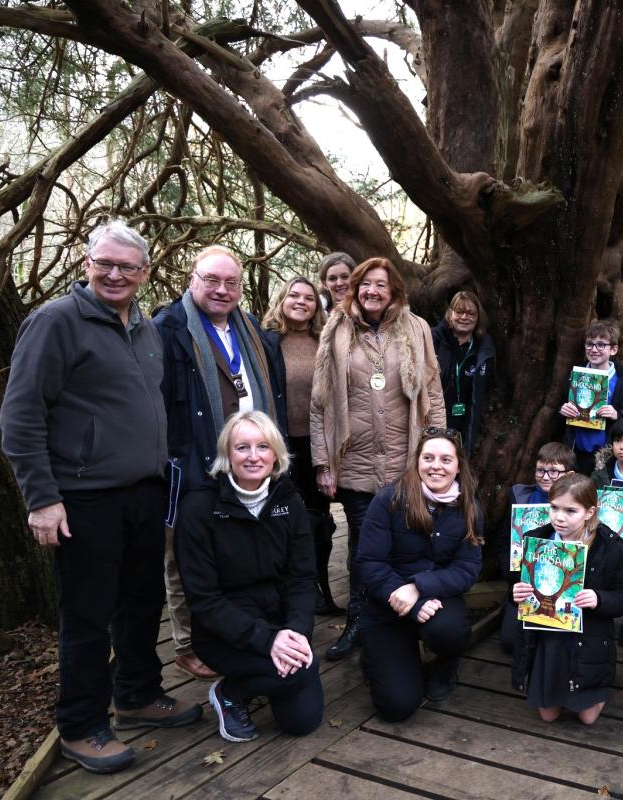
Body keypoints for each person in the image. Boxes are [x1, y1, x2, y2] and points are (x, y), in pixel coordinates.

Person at [1, 219, 201, 774]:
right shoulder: (56, 322)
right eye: (104, 263)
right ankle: (81, 725)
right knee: (87, 617)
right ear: (86, 263)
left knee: (141, 602)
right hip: (83, 498)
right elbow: (20, 414)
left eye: (126, 267)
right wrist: (41, 498)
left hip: (144, 492)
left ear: (145, 273)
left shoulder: (145, 327)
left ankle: (137, 694)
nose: (114, 274)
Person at [155, 245, 286, 681]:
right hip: (192, 462)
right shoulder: (169, 328)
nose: (221, 289)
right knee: (184, 557)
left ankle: (228, 634)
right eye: (211, 279)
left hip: (245, 462)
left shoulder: (249, 328)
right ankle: (187, 644)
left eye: (231, 282)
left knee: (231, 552)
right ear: (192, 279)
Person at [311, 257, 447, 661]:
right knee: (362, 546)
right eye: (366, 284)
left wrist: (437, 447)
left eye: (381, 284)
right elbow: (319, 403)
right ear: (356, 288)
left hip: (406, 459)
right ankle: (358, 620)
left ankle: (401, 619)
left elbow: (433, 391)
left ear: (394, 291)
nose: (372, 291)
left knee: (408, 540)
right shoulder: (336, 329)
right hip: (355, 460)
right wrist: (323, 463)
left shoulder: (416, 328)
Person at [175, 411, 323, 743]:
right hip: (225, 633)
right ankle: (230, 693)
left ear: (276, 455)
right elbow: (204, 599)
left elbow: (302, 578)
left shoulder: (290, 502)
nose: (253, 456)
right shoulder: (199, 508)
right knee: (302, 671)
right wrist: (267, 641)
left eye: (263, 447)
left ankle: (253, 682)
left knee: (303, 721)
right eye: (242, 447)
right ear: (227, 455)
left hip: (281, 624)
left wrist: (297, 632)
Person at [354, 428, 483, 719]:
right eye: (428, 458)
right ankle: (380, 656)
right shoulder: (389, 500)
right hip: (387, 601)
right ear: (417, 462)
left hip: (437, 597)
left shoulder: (469, 508)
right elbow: (369, 562)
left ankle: (446, 663)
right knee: (397, 707)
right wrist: (411, 601)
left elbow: (467, 568)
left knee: (449, 631)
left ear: (458, 466)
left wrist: (419, 587)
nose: (436, 466)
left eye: (446, 459)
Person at [510, 474, 623, 724]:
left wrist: (599, 599)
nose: (559, 517)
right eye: (554, 507)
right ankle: (553, 686)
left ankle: (597, 689)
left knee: (588, 718)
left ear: (589, 512)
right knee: (548, 716)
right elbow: (515, 583)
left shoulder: (612, 549)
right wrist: (517, 593)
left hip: (588, 639)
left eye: (570, 511)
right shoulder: (534, 540)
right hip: (547, 638)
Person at [261, 277, 339, 615]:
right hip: (280, 445)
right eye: (294, 295)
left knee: (320, 524)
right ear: (282, 300)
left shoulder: (324, 342)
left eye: (309, 298)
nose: (301, 302)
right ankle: (290, 594)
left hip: (318, 445)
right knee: (285, 522)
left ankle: (322, 588)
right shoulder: (266, 341)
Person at [500, 442, 577, 650]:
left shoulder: (579, 505)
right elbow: (504, 545)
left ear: (569, 474)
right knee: (510, 642)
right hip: (524, 584)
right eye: (541, 470)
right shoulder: (521, 501)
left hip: (563, 586)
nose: (545, 477)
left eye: (554, 471)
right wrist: (515, 579)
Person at [559, 320, 623, 476]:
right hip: (575, 451)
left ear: (613, 350)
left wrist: (617, 415)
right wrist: (563, 410)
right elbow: (560, 410)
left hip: (607, 455)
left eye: (601, 345)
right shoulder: (574, 376)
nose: (594, 349)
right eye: (590, 344)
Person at [431, 290, 496, 454]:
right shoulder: (434, 339)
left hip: (465, 422)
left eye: (471, 313)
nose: (464, 317)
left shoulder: (483, 348)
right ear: (450, 314)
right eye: (459, 312)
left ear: (478, 317)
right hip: (434, 418)